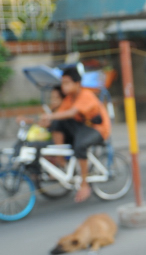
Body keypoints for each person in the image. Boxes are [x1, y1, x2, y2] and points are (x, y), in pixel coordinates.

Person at [40, 65, 112, 203]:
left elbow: (72, 113)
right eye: (62, 83)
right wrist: (35, 121)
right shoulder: (69, 99)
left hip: (98, 129)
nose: (63, 87)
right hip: (81, 128)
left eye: (67, 83)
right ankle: (60, 159)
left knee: (80, 146)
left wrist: (51, 117)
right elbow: (59, 115)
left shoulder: (86, 95)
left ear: (77, 83)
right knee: (57, 123)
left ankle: (84, 185)